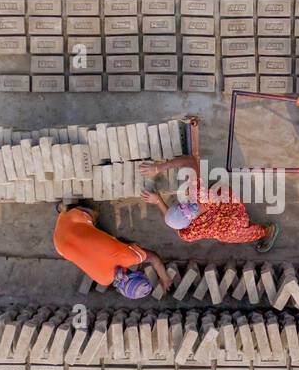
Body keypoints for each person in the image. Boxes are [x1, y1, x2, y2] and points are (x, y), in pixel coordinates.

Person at [139, 115, 280, 253]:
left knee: (228, 232)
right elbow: (190, 162)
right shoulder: (197, 196)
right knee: (228, 229)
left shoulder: (188, 232)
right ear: (180, 205)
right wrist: (158, 170)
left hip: (227, 213)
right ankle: (266, 231)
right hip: (232, 212)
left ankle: (262, 231)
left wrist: (158, 201)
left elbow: (177, 228)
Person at [53, 202, 172, 298]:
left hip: (73, 221)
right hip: (60, 245)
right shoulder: (103, 280)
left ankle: (66, 208)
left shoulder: (129, 257)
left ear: (138, 273)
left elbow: (154, 258)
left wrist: (165, 278)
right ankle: (65, 214)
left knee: (93, 212)